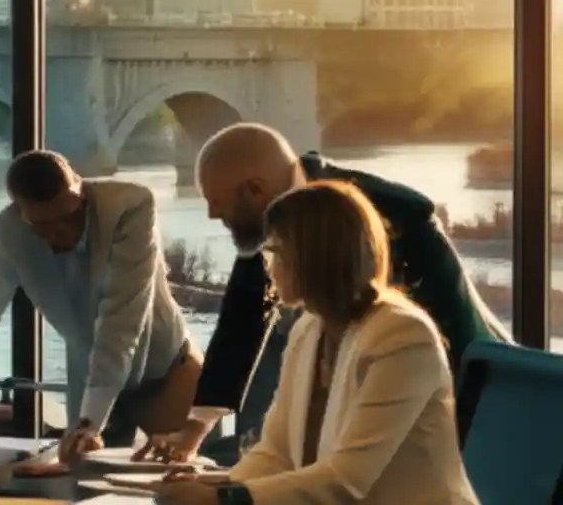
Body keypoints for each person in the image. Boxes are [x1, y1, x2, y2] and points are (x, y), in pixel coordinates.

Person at [143, 122, 510, 464]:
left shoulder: (395, 216)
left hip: (465, 401)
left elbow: (454, 336)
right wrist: (193, 433)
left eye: (217, 204)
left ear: (255, 190)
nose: (209, 215)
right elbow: (241, 323)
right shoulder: (268, 221)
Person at [147, 181, 478, 504]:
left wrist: (225, 498)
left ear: (312, 255)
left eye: (274, 250)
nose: (268, 265)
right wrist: (213, 486)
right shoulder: (309, 330)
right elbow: (275, 454)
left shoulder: (403, 337)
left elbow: (347, 479)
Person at [0, 150, 201, 462]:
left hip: (166, 375)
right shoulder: (7, 234)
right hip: (88, 379)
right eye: (43, 225)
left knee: (177, 484)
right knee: (76, 486)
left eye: (70, 216)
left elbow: (119, 322)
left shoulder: (130, 207)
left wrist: (90, 423)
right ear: (20, 212)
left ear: (80, 190)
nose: (61, 231)